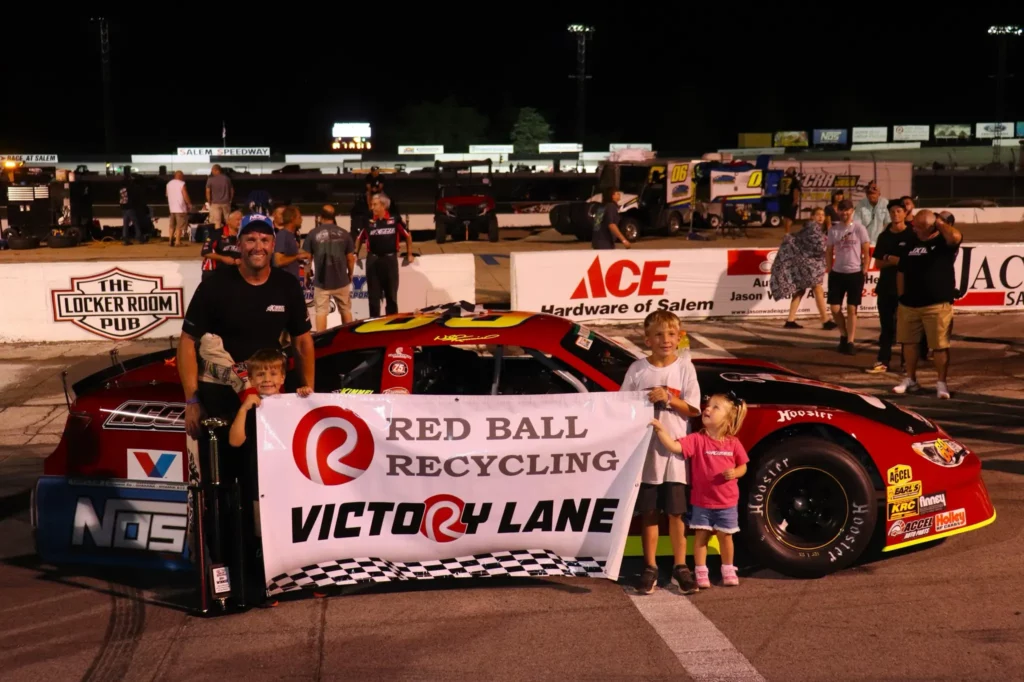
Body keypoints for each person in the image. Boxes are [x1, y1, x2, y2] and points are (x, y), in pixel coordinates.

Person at [177, 212, 314, 606]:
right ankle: (219, 578)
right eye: (250, 239)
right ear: (239, 244)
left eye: (264, 239)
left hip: (265, 406)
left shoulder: (287, 286)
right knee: (221, 495)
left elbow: (304, 343)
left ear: (275, 244)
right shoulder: (216, 286)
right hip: (219, 402)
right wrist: (191, 399)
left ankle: (263, 576)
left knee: (263, 493)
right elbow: (187, 344)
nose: (257, 246)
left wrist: (310, 391)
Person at [619, 310, 701, 596]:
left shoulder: (685, 368)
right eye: (658, 335)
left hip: (676, 458)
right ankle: (650, 566)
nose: (665, 340)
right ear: (647, 340)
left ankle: (681, 567)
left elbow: (694, 409)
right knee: (650, 512)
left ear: (678, 337)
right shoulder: (637, 370)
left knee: (677, 514)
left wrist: (669, 398)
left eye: (671, 334)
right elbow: (621, 407)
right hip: (646, 458)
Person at [650, 392, 748, 588]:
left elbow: (744, 466)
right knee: (701, 538)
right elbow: (675, 447)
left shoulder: (733, 443)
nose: (707, 409)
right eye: (708, 406)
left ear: (728, 419)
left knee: (725, 537)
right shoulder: (696, 439)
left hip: (727, 502)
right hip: (701, 502)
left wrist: (735, 472)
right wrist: (660, 429)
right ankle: (701, 571)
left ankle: (728, 568)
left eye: (715, 407)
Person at [893, 210, 963, 399]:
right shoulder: (910, 242)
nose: (913, 228)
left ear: (929, 227)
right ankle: (910, 379)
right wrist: (901, 298)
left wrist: (939, 223)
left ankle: (941, 383)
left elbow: (956, 236)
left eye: (917, 226)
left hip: (937, 305)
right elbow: (901, 271)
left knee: (939, 346)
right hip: (909, 305)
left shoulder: (944, 242)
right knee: (909, 343)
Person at [229, 348, 312, 449]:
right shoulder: (249, 408)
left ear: (282, 378)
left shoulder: (294, 402)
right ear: (251, 380)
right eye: (260, 374)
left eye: (273, 374)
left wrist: (308, 397)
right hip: (259, 463)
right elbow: (235, 442)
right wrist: (243, 410)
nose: (267, 379)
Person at [771, 207, 836, 331]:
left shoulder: (809, 229)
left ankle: (790, 320)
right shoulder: (813, 229)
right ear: (812, 216)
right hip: (809, 266)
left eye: (822, 215)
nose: (821, 217)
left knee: (800, 290)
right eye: (818, 214)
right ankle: (825, 320)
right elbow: (820, 247)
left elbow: (795, 239)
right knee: (818, 289)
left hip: (805, 265)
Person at [867, 200, 913, 374]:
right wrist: (893, 259)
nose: (895, 214)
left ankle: (906, 362)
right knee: (886, 327)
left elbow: (912, 262)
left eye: (898, 211)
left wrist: (893, 259)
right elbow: (878, 262)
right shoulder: (884, 236)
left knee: (906, 328)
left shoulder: (912, 235)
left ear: (904, 212)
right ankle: (882, 360)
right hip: (886, 288)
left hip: (907, 289)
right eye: (892, 211)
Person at [354, 192, 414, 318]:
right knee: (373, 297)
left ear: (383, 205)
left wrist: (409, 254)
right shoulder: (367, 221)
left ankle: (392, 324)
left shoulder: (394, 219)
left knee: (391, 296)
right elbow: (359, 238)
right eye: (371, 205)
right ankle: (373, 323)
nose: (372, 207)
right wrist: (355, 253)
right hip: (373, 260)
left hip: (390, 260)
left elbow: (408, 236)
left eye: (374, 204)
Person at [825, 199, 872, 355]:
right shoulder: (833, 230)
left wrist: (865, 267)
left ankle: (850, 341)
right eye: (842, 210)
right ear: (838, 211)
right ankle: (843, 335)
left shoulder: (859, 228)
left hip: (854, 273)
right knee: (834, 308)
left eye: (847, 210)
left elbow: (866, 250)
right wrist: (829, 268)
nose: (844, 213)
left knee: (852, 309)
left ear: (852, 211)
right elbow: (829, 250)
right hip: (837, 273)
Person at [303, 207, 357, 330]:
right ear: (334, 217)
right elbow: (350, 258)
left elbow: (307, 258)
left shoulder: (313, 233)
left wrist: (307, 274)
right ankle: (348, 340)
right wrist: (350, 274)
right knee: (345, 310)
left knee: (321, 312)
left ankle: (322, 342)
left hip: (322, 283)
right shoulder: (344, 233)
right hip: (341, 281)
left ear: (320, 217)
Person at [200, 210, 242, 281]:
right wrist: (223, 258)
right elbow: (205, 252)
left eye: (241, 220)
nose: (240, 222)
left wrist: (242, 260)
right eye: (237, 220)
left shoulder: (243, 236)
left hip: (233, 272)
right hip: (212, 271)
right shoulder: (217, 234)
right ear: (228, 221)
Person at [273, 205, 308, 282]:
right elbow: (278, 261)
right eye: (299, 217)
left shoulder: (291, 235)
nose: (301, 220)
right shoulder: (282, 235)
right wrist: (297, 257)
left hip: (292, 282)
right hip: (283, 284)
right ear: (292, 219)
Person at [166, 170, 192, 247]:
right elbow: (185, 194)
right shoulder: (181, 183)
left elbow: (167, 194)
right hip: (180, 208)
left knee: (172, 225)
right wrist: (189, 203)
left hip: (172, 207)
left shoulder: (169, 184)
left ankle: (170, 239)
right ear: (180, 176)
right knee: (179, 226)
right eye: (182, 176)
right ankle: (177, 241)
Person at [206, 165, 234, 230]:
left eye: (212, 170)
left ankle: (217, 237)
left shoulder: (210, 179)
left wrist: (209, 201)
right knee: (228, 220)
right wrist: (230, 200)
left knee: (216, 221)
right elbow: (232, 190)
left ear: (217, 170)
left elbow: (208, 191)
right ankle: (229, 235)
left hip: (215, 203)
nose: (211, 172)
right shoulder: (227, 179)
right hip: (226, 202)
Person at [778, 167, 802, 232]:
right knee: (790, 218)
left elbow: (778, 190)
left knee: (785, 217)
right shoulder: (794, 180)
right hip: (790, 201)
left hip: (782, 201)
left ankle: (786, 232)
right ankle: (787, 233)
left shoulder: (781, 179)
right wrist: (795, 200)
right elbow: (795, 190)